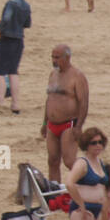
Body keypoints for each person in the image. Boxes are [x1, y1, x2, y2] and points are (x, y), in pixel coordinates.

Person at [41, 44, 89, 182]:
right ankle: (55, 195)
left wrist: (79, 126)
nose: (54, 60)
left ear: (67, 57)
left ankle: (85, 186)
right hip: (52, 124)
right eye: (52, 57)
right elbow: (49, 99)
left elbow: (83, 102)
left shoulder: (77, 76)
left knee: (69, 161)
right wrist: (44, 122)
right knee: (52, 161)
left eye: (57, 57)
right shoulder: (53, 74)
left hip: (69, 123)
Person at [0, 0, 30, 113]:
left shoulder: (11, 4)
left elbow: (7, 20)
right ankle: (15, 103)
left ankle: (1, 103)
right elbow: (27, 24)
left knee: (0, 72)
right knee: (13, 72)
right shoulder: (26, 5)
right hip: (19, 40)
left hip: (7, 39)